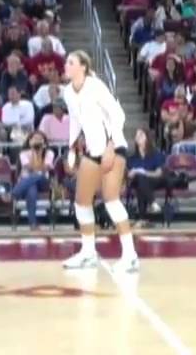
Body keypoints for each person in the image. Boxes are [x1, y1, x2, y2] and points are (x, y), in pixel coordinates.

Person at [59, 51, 139, 274]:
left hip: (113, 146)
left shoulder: (95, 86)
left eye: (71, 62)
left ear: (83, 67)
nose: (66, 65)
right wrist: (71, 149)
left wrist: (111, 146)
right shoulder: (67, 92)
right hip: (92, 150)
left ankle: (130, 255)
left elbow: (118, 114)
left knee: (111, 199)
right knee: (81, 201)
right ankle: (87, 253)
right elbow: (75, 122)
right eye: (66, 62)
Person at [13, 131, 54, 230]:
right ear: (30, 141)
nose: (37, 141)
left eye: (40, 139)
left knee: (37, 176)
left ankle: (15, 192)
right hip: (28, 182)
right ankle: (33, 224)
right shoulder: (23, 153)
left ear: (44, 141)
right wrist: (33, 151)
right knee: (31, 189)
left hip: (44, 182)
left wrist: (39, 154)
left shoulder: (49, 153)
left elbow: (44, 168)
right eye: (35, 139)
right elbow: (29, 168)